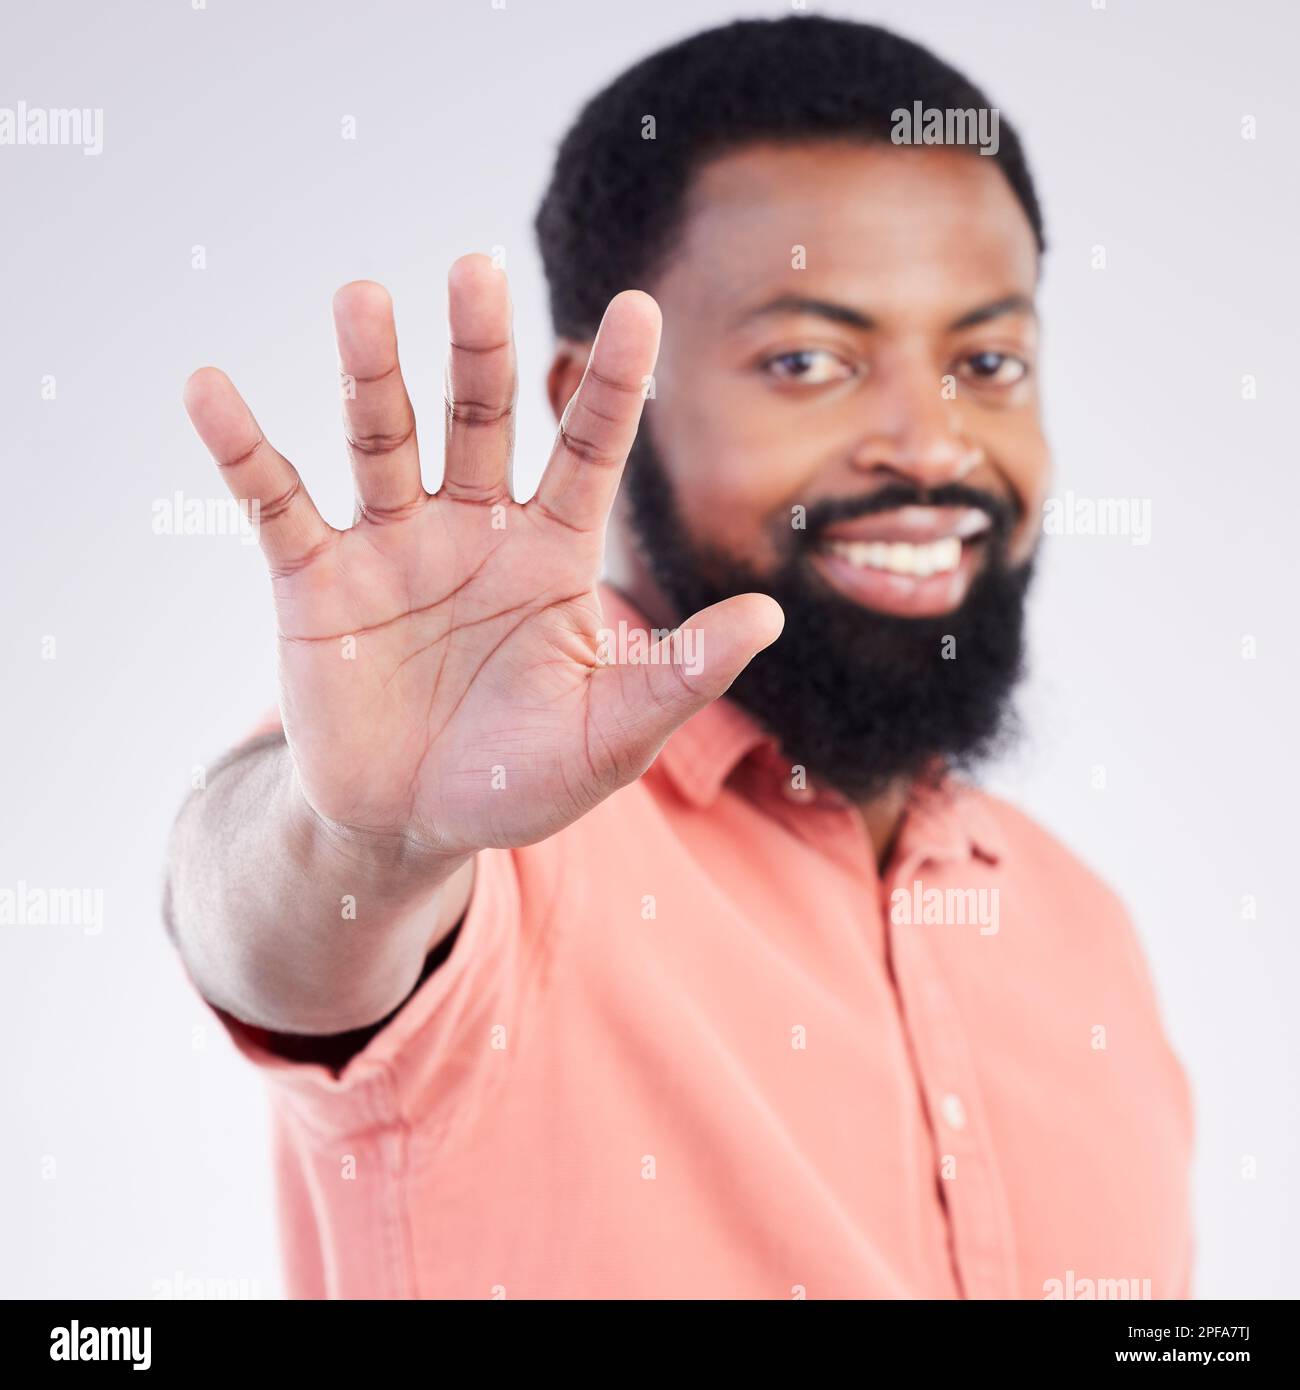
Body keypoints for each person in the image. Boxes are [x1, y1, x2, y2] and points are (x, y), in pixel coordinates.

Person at [164, 15, 1194, 1299]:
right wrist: (365, 839)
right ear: (584, 401)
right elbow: (273, 935)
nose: (932, 447)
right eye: (805, 360)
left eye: (986, 360)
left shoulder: (1085, 935)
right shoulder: (493, 841)